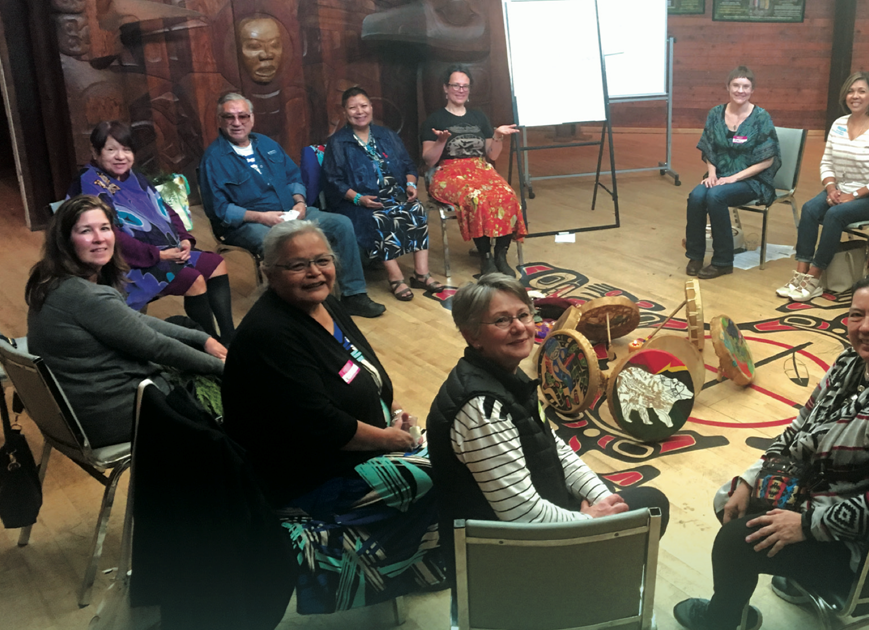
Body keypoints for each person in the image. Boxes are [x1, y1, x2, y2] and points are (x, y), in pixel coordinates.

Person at [674, 275, 869, 630]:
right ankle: (793, 579)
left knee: (737, 541)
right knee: (733, 500)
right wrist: (750, 479)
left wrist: (807, 526)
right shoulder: (851, 362)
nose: (865, 327)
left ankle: (722, 619)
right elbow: (799, 428)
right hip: (835, 495)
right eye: (856, 314)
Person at [222, 220, 444, 613]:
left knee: (447, 453)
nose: (314, 272)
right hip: (308, 478)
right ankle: (395, 570)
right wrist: (393, 439)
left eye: (322, 260)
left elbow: (362, 369)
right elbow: (323, 426)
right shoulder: (270, 334)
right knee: (442, 470)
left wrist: (393, 412)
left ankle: (418, 560)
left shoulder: (323, 304)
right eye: (297, 265)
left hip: (350, 449)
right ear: (268, 272)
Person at [426, 273, 670, 570]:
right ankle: (584, 589)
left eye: (523, 315)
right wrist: (589, 520)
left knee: (630, 504)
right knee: (651, 506)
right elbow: (523, 516)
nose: (519, 327)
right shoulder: (482, 408)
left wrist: (604, 501)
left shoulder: (505, 373)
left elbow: (554, 448)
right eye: (501, 320)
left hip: (532, 525)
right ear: (471, 335)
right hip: (506, 559)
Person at [25, 195, 226, 448]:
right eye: (86, 231)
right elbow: (157, 347)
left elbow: (132, 320)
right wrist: (225, 368)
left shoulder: (51, 280)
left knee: (183, 326)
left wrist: (203, 338)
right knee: (230, 388)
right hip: (118, 415)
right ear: (65, 241)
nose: (99, 238)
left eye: (105, 228)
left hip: (82, 407)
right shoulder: (86, 296)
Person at [199, 92, 385, 318]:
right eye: (229, 117)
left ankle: (353, 295)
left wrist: (300, 202)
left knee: (341, 224)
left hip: (290, 211)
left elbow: (293, 177)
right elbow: (219, 210)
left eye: (243, 116)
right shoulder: (214, 159)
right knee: (280, 242)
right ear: (220, 120)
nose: (237, 123)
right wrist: (261, 217)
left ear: (252, 118)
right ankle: (295, 305)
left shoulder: (267, 144)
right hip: (248, 223)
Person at [70, 120, 235, 342]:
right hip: (123, 264)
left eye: (126, 149)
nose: (120, 156)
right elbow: (111, 237)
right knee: (193, 279)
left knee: (216, 264)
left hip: (163, 252)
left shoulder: (135, 177)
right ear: (95, 152)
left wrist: (185, 239)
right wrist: (158, 255)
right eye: (111, 150)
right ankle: (210, 344)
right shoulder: (89, 182)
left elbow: (165, 210)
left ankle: (229, 338)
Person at [778, 72, 869, 303]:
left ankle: (814, 278)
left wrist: (852, 196)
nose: (855, 96)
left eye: (862, 91)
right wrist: (831, 188)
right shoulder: (838, 124)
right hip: (843, 189)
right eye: (851, 91)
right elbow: (827, 162)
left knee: (835, 215)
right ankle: (800, 273)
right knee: (809, 209)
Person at [323, 86, 441, 302]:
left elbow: (408, 165)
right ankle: (395, 277)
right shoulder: (338, 142)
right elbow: (333, 180)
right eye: (353, 108)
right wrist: (358, 198)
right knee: (380, 217)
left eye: (364, 106)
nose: (360, 111)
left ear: (371, 107)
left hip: (394, 192)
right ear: (345, 112)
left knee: (416, 209)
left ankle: (421, 274)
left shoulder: (387, 135)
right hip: (358, 201)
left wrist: (411, 184)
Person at [421, 64, 525, 278]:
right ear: (445, 88)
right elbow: (429, 160)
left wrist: (497, 135)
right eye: (456, 85)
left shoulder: (479, 117)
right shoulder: (434, 120)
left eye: (465, 86)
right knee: (475, 197)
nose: (461, 90)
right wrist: (441, 141)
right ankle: (485, 255)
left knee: (507, 195)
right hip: (448, 172)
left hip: (479, 168)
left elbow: (492, 155)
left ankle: (501, 254)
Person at [685, 66, 780, 279]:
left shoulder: (761, 117)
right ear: (728, 87)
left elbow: (767, 160)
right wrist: (711, 173)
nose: (740, 90)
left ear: (752, 90)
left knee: (715, 196)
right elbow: (710, 149)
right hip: (720, 176)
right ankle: (695, 256)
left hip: (752, 179)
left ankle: (723, 261)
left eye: (745, 86)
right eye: (736, 85)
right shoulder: (715, 114)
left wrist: (733, 178)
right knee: (697, 196)